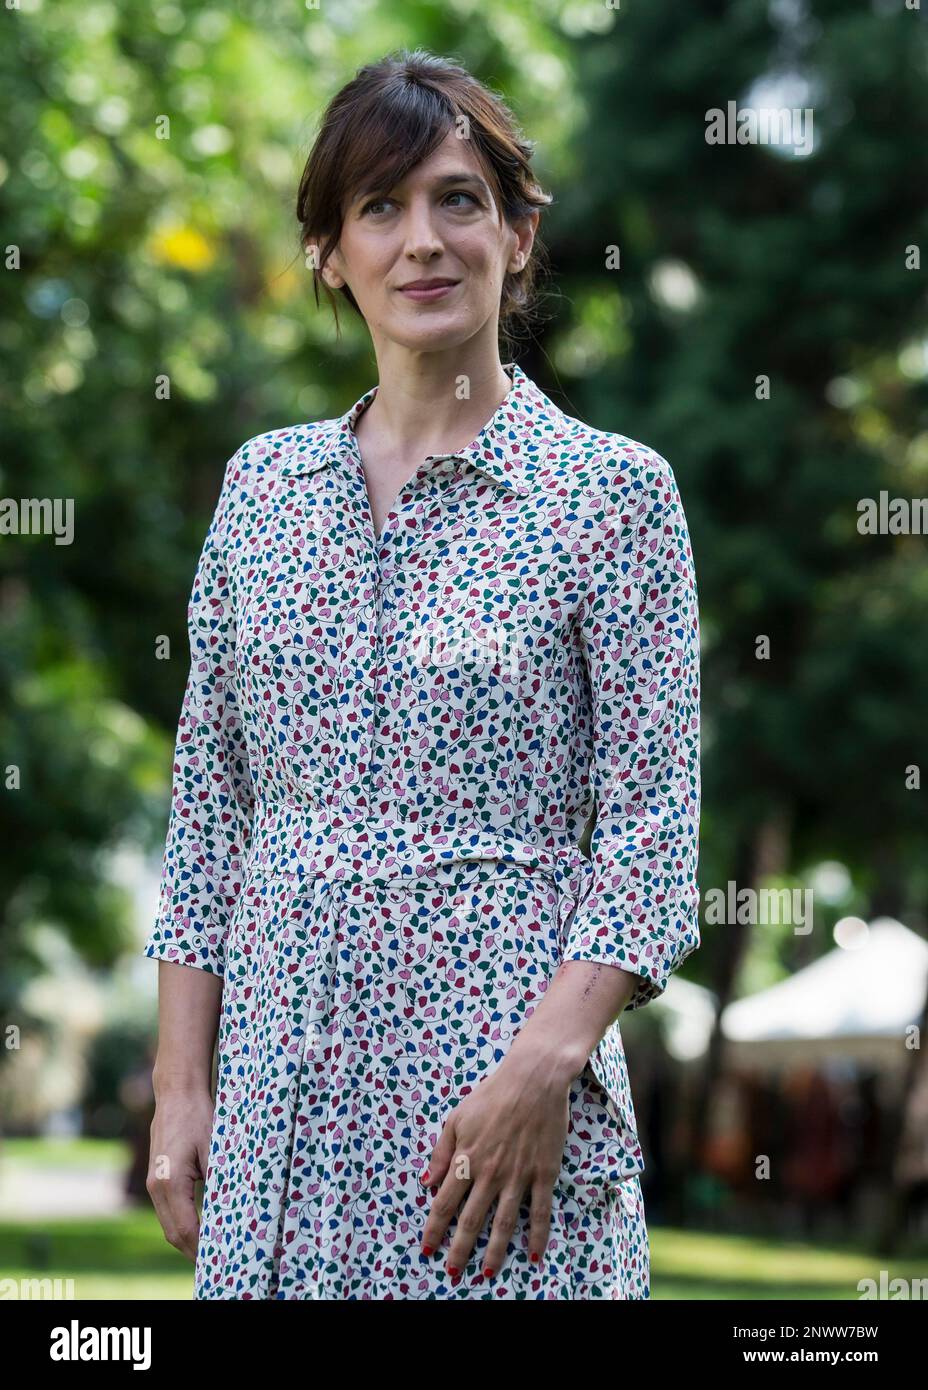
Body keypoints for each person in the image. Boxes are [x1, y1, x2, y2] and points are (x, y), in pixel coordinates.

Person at [143, 47, 701, 1301]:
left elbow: (653, 833)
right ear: (329, 254)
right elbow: (207, 816)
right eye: (379, 208)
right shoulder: (262, 490)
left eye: (458, 199)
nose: (423, 242)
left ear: (517, 232)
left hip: (492, 1142)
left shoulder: (612, 497)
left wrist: (539, 1071)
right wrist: (184, 1087)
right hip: (278, 1131)